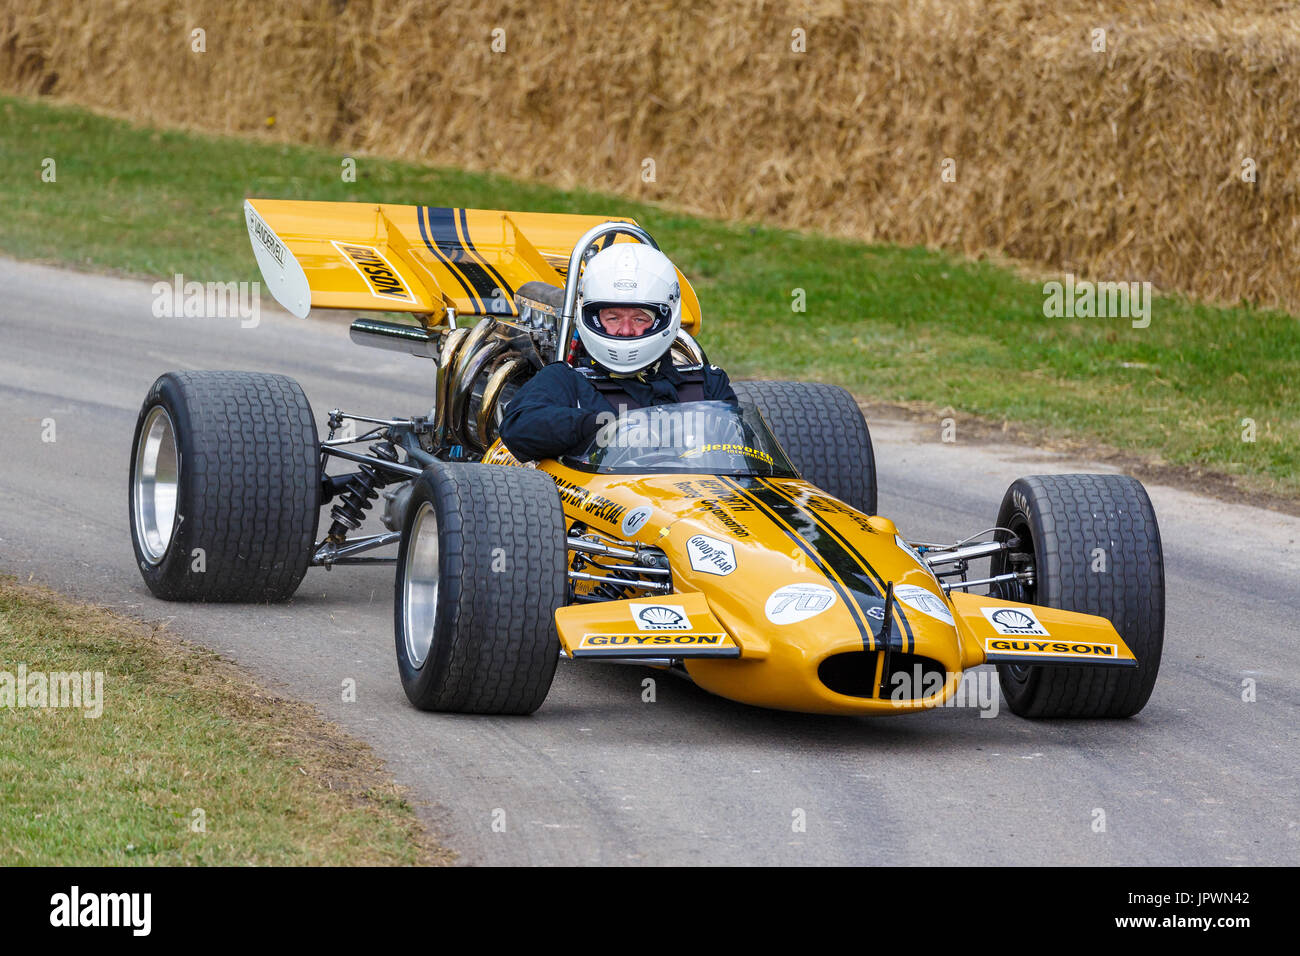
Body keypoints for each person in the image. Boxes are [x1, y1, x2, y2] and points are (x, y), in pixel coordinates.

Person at [498, 242, 737, 461]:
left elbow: (738, 455)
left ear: (664, 318)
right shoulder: (566, 381)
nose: (625, 331)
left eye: (639, 318)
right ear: (592, 317)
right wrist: (606, 427)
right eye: (613, 318)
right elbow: (518, 429)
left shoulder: (706, 384)